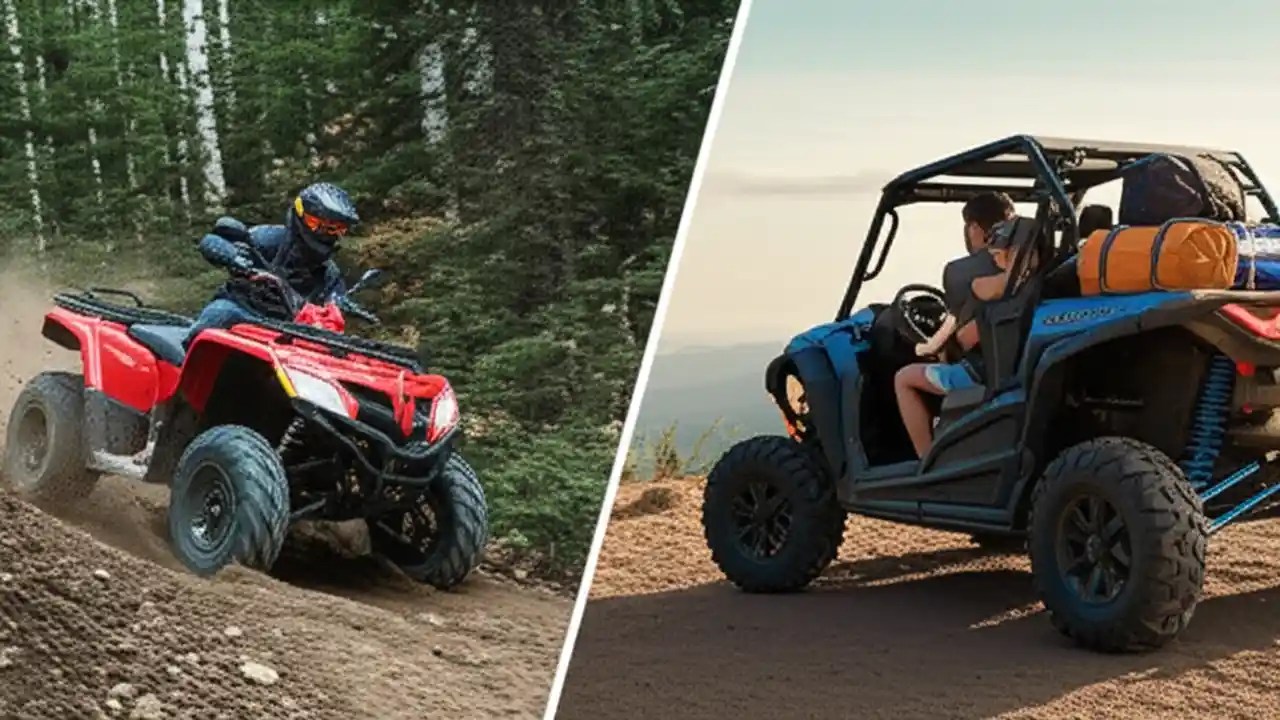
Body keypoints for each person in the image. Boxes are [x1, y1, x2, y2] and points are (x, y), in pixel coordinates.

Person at [894, 194, 1024, 459]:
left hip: (982, 373)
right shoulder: (1027, 265)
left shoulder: (960, 273)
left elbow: (956, 339)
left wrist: (936, 349)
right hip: (1021, 364)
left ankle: (926, 464)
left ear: (975, 228)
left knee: (904, 378)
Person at [183, 182, 360, 347]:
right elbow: (211, 241)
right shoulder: (267, 239)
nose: (329, 233)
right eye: (321, 226)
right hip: (242, 309)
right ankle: (184, 367)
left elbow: (334, 305)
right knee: (212, 322)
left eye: (336, 229)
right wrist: (233, 256)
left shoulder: (328, 271)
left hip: (291, 329)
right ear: (301, 217)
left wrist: (341, 304)